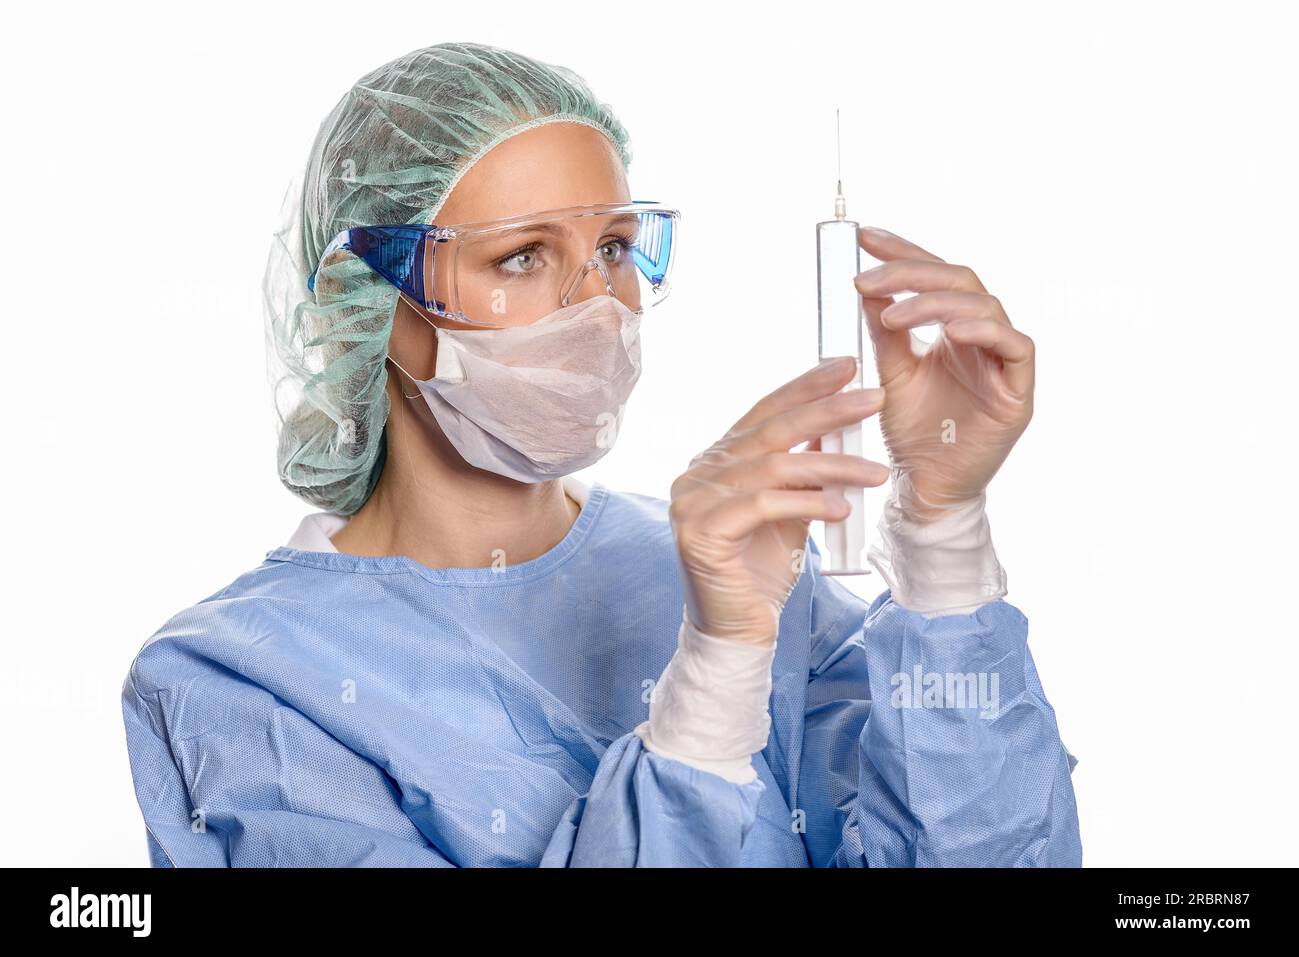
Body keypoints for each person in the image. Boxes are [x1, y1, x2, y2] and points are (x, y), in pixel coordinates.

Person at [120, 41, 1081, 867]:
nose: (598, 305)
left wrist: (944, 525)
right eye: (523, 256)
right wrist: (708, 688)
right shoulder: (243, 680)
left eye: (616, 247)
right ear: (366, 297)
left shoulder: (733, 572)